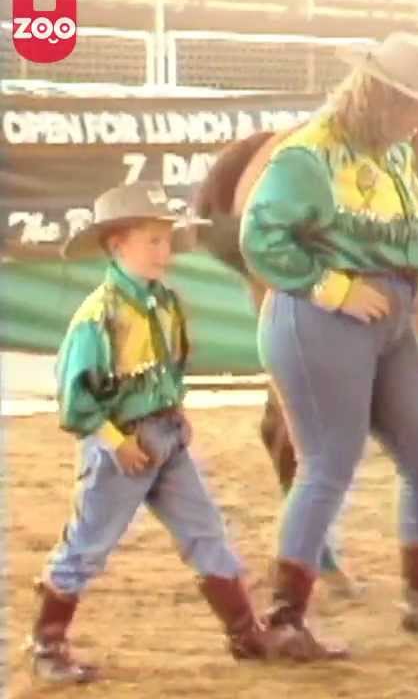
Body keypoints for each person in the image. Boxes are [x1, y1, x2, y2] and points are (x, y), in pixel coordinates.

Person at [240, 32, 418, 656]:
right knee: (328, 462)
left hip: (385, 322)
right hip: (320, 319)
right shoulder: (307, 156)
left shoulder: (395, 152)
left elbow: (409, 226)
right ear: (382, 97)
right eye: (417, 106)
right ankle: (285, 617)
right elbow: (261, 237)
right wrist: (334, 288)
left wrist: (413, 273)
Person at [30, 181, 323, 684]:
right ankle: (47, 644)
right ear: (116, 245)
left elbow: (170, 366)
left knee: (205, 531)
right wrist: (116, 442)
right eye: (152, 240)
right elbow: (76, 399)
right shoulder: (99, 317)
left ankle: (245, 633)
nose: (163, 251)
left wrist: (175, 408)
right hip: (122, 446)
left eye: (166, 240)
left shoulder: (165, 304)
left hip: (167, 439)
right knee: (88, 543)